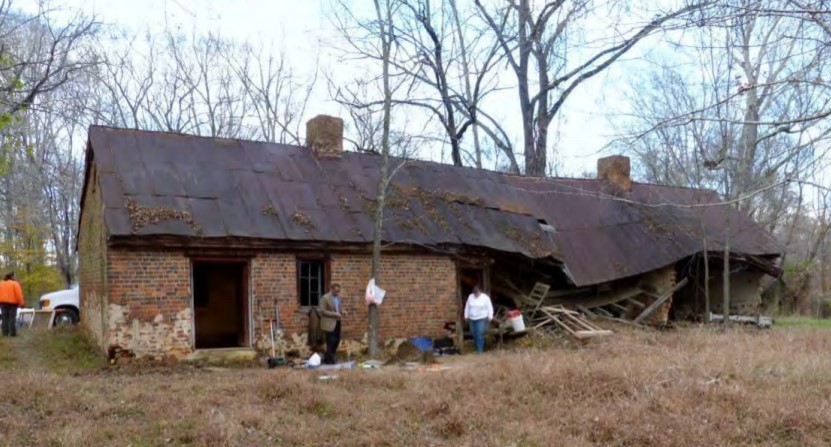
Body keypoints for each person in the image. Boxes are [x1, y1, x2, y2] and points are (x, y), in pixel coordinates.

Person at [319, 283, 346, 365]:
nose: (337, 292)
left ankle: (328, 357)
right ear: (332, 289)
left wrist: (342, 311)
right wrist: (335, 314)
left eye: (338, 291)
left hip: (337, 322)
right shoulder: (325, 298)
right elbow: (322, 311)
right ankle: (330, 360)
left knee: (337, 340)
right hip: (329, 323)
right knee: (330, 341)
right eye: (336, 291)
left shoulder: (339, 298)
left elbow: (339, 308)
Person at [464, 285, 493, 353]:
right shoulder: (470, 297)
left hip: (481, 318)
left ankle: (480, 350)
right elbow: (467, 307)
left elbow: (489, 307)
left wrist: (490, 316)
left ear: (480, 291)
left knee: (479, 333)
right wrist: (466, 315)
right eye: (474, 293)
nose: (476, 294)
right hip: (472, 318)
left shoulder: (485, 298)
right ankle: (478, 347)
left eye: (477, 293)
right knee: (473, 333)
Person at [0, 272, 24, 337]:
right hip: (12, 304)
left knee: (4, 318)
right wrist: (21, 304)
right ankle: (12, 333)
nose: (15, 277)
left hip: (3, 303)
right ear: (11, 276)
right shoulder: (15, 284)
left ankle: (5, 333)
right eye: (14, 276)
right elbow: (19, 295)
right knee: (12, 318)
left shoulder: (1, 284)